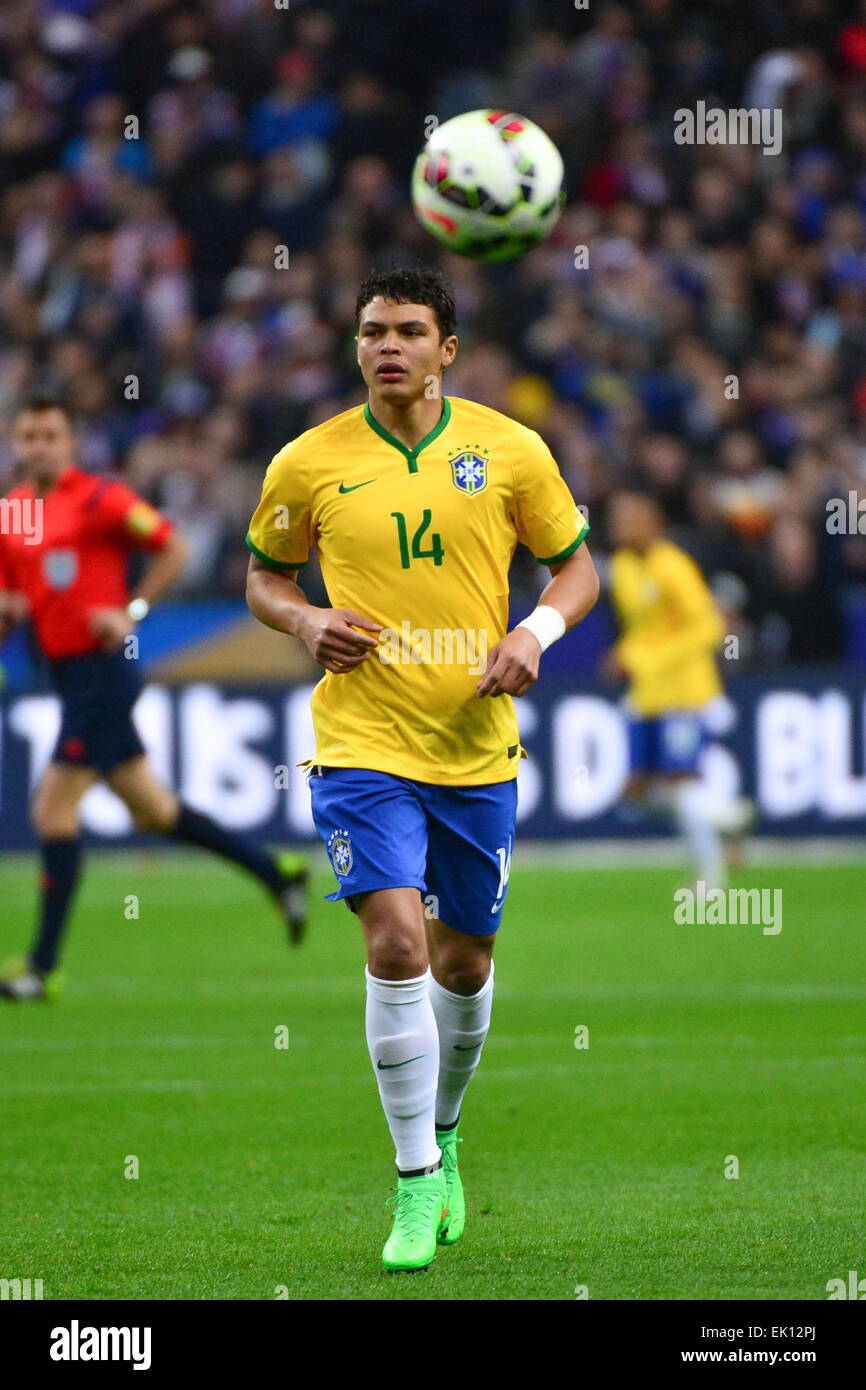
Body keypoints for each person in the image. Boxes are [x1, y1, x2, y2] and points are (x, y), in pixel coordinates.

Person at [245, 265, 600, 1272]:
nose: (385, 344)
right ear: (353, 344)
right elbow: (264, 579)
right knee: (396, 943)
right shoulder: (308, 462)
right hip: (359, 743)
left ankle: (443, 1135)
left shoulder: (510, 450)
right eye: (370, 330)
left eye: (407, 329)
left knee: (462, 962)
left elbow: (577, 563)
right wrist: (306, 616)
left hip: (475, 744)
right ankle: (408, 1185)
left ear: (447, 349)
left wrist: (535, 629)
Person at [0, 395, 308, 1002]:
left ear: (70, 441)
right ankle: (277, 873)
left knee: (51, 813)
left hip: (104, 673)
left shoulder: (99, 498)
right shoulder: (15, 512)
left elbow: (174, 547)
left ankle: (42, 967)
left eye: (49, 434)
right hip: (65, 675)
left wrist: (132, 611)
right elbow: (15, 591)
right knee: (153, 812)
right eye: (28, 435)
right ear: (16, 442)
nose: (38, 445)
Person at [603, 485, 750, 888]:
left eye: (628, 516)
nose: (619, 524)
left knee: (682, 785)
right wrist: (626, 653)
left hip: (686, 694)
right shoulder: (624, 567)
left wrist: (644, 659)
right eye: (617, 517)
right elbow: (644, 630)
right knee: (635, 794)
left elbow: (711, 627)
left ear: (653, 522)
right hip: (648, 695)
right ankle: (728, 816)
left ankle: (710, 876)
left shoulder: (674, 566)